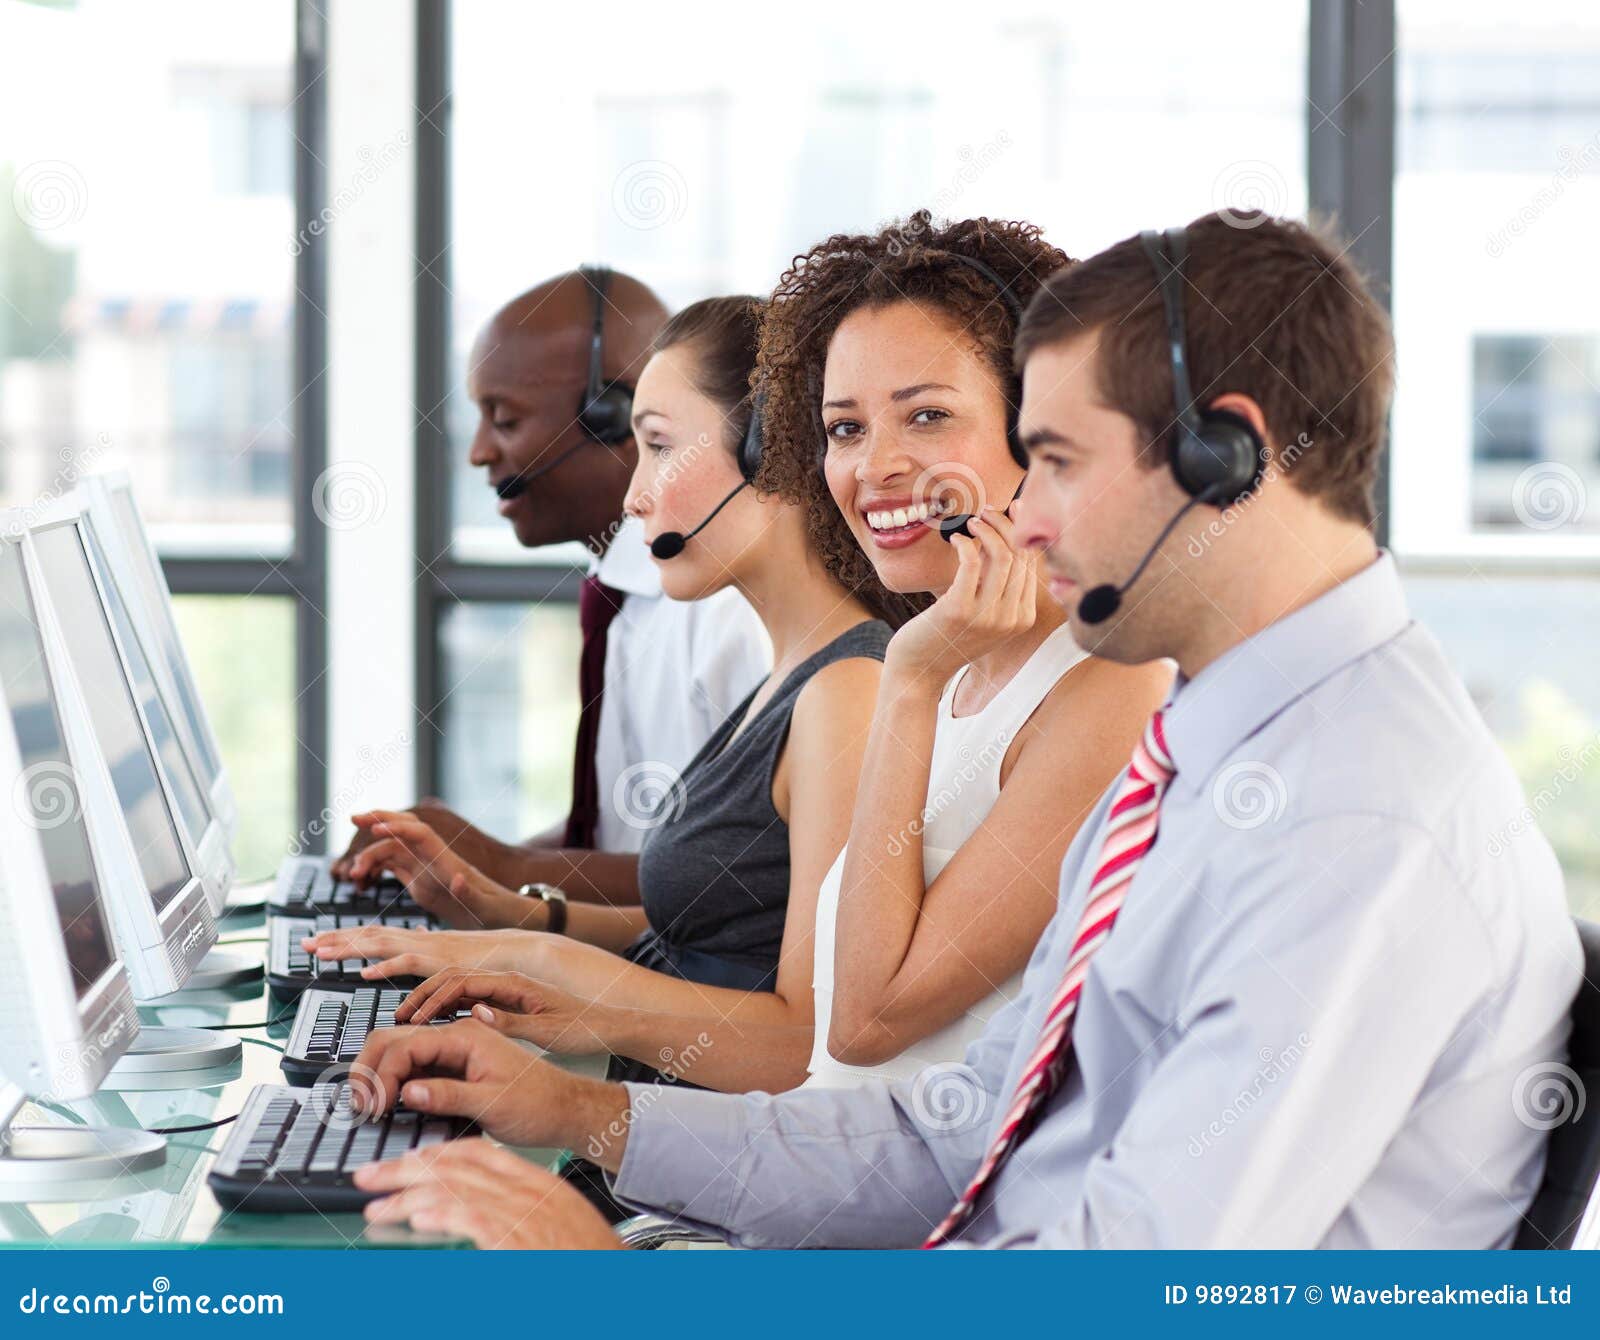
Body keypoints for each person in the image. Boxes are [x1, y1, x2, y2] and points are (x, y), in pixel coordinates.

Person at [342, 211, 1581, 1250]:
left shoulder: (1347, 819)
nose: (1021, 519)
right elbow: (952, 1127)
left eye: (1051, 458)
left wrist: (622, 1282)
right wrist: (587, 1118)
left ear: (1225, 457)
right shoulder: (1209, 752)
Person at [308, 297, 901, 1212]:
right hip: (651, 1157)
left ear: (768, 454)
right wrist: (504, 918)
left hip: (696, 1195)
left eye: (662, 446)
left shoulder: (846, 693)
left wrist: (552, 1001)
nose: (634, 495)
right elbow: (710, 938)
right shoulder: (790, 676)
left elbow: (802, 1038)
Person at [751, 214, 1170, 1084]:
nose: (877, 467)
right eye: (845, 429)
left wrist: (908, 677)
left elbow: (862, 1025)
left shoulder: (1108, 686)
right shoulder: (957, 666)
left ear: (1039, 428)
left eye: (928, 416)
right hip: (826, 1187)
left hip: (931, 1216)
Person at [334, 267, 770, 877]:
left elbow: (725, 884)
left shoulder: (729, 615)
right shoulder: (629, 593)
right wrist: (458, 862)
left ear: (611, 417)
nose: (478, 452)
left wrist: (505, 869)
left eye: (505, 420)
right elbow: (624, 842)